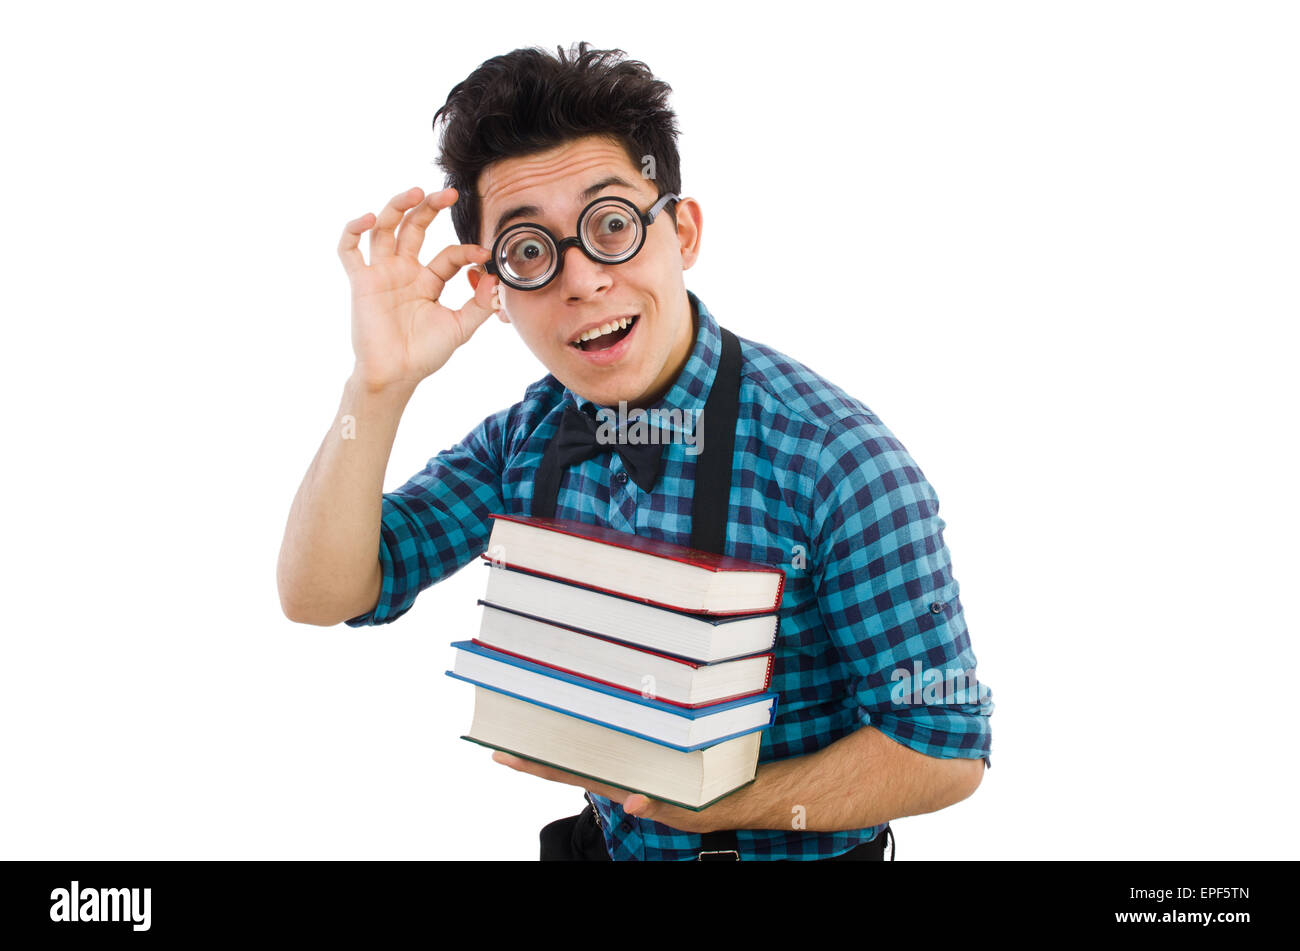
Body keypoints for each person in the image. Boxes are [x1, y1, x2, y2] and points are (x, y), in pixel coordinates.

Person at [277, 42, 993, 861]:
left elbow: (946, 748)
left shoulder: (839, 462)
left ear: (682, 231)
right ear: (497, 293)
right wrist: (377, 386)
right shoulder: (530, 434)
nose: (580, 280)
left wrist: (726, 803)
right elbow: (322, 590)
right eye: (530, 251)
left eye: (611, 224)